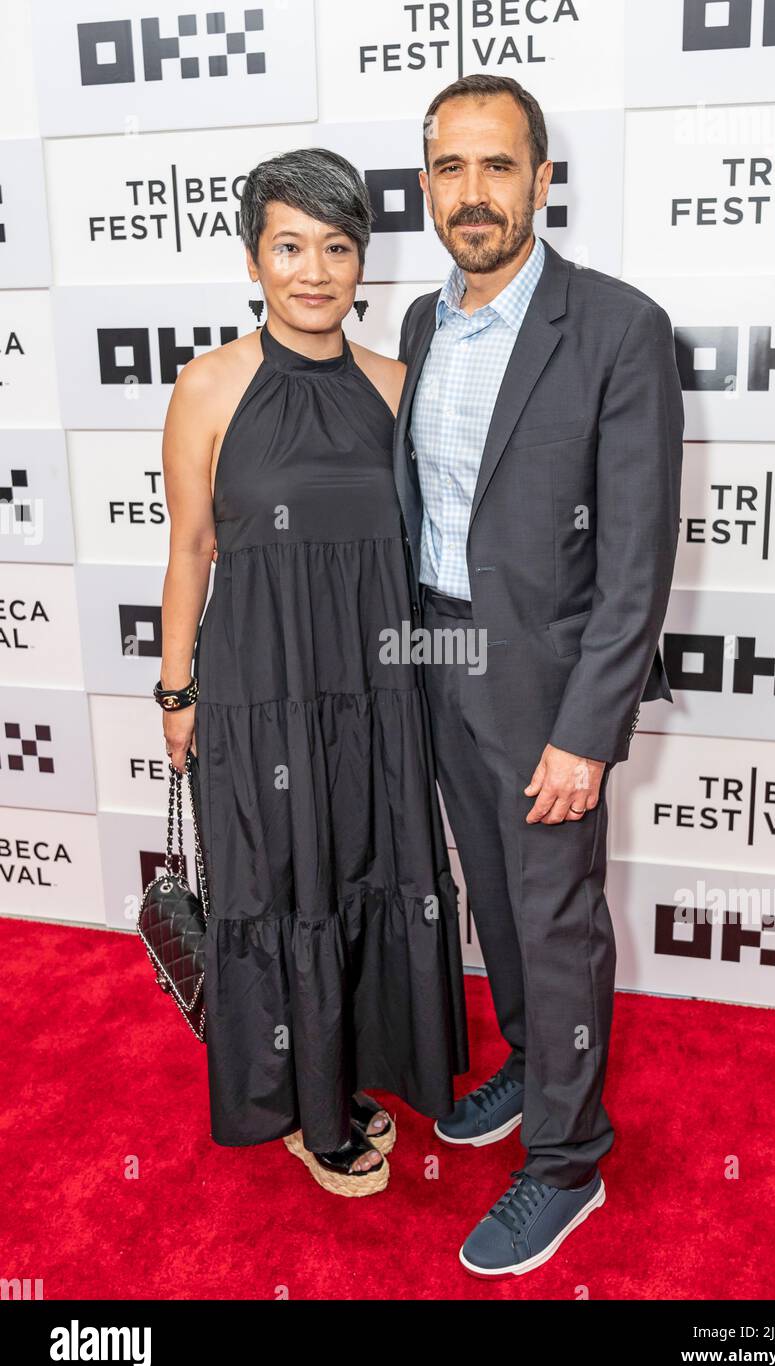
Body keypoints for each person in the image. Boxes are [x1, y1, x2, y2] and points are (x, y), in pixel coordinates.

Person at [395, 75, 684, 1273]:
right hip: (437, 652)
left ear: (540, 180)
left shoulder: (616, 326)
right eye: (450, 170)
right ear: (425, 187)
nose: (473, 194)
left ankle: (566, 1161)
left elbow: (634, 562)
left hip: (546, 680)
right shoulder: (419, 324)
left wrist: (585, 728)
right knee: (495, 897)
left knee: (554, 913)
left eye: (497, 167)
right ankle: (527, 1058)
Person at [156, 146, 468, 1197]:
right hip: (257, 689)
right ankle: (305, 1110)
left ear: (360, 264)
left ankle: (352, 1073)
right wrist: (175, 688)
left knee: (367, 876)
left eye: (337, 247)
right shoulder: (208, 385)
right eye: (290, 245)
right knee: (283, 884)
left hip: (378, 697)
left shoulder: (394, 385)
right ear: (255, 259)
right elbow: (190, 548)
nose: (314, 270)